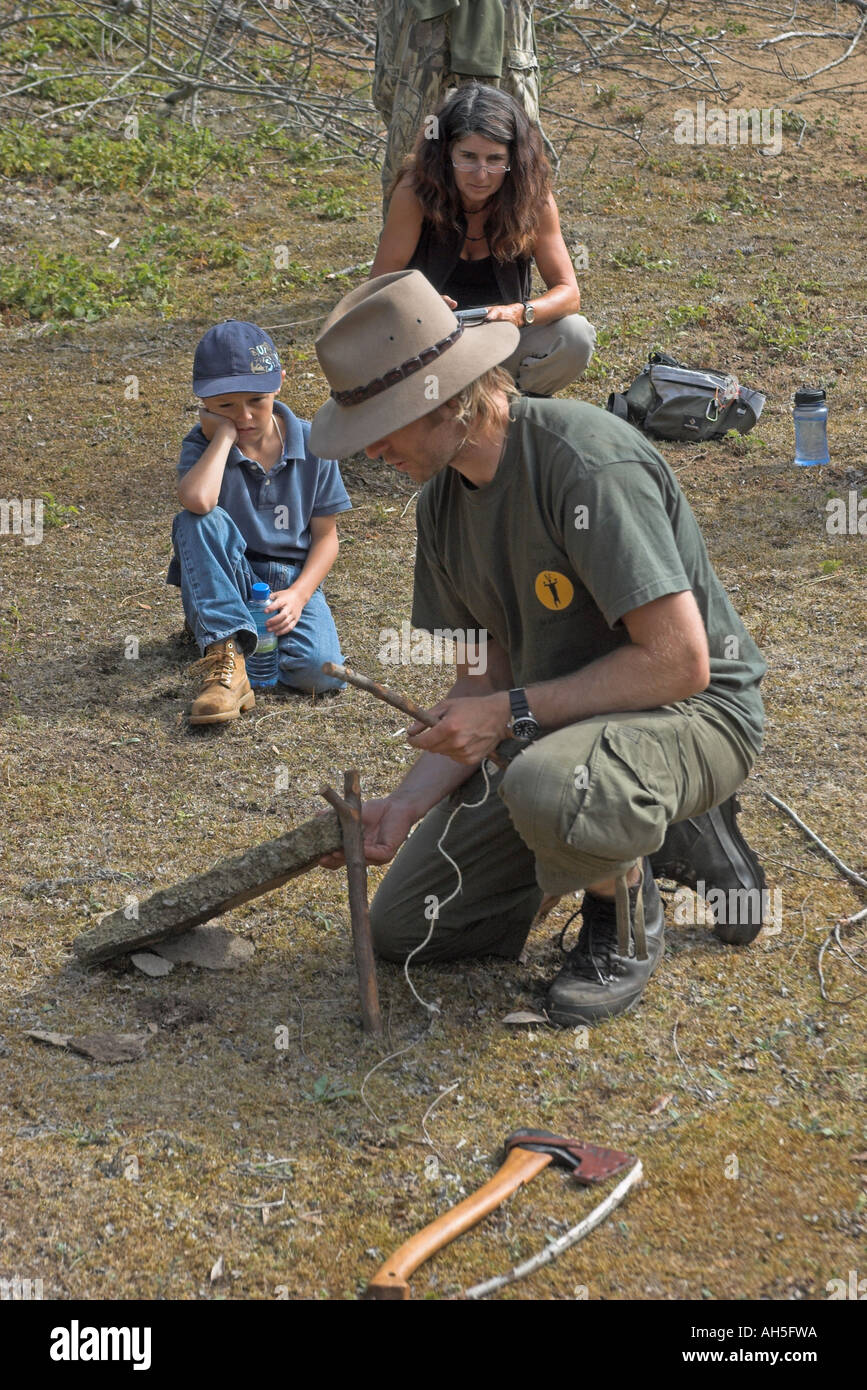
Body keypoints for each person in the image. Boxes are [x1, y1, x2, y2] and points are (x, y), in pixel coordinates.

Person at [310, 270, 768, 1027]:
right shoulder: (441, 511)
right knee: (410, 928)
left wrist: (512, 710)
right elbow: (475, 688)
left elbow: (678, 663)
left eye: (380, 426)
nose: (369, 451)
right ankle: (644, 827)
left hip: (692, 712)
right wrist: (406, 806)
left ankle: (617, 918)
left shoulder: (584, 462)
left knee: (549, 789)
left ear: (443, 398)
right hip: (554, 738)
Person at [166, 320, 350, 725]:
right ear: (203, 402)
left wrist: (301, 595)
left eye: (256, 400)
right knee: (197, 521)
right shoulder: (202, 444)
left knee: (319, 675)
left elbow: (326, 538)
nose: (244, 415)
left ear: (280, 383)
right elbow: (197, 500)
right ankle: (227, 657)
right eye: (225, 406)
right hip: (230, 573)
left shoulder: (315, 441)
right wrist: (223, 438)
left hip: (288, 580)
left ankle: (227, 636)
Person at [371, 82, 595, 398]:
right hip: (426, 346)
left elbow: (569, 293)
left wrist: (520, 313)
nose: (480, 174)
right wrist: (420, 307)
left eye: (494, 159)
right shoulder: (414, 192)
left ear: (514, 158)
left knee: (574, 335)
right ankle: (434, 409)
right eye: (468, 156)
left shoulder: (533, 198)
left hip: (502, 342)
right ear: (445, 151)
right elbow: (379, 286)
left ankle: (509, 407)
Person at [373, 0, 540, 212]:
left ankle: (508, 237)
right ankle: (411, 236)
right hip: (418, 15)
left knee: (509, 138)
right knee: (411, 140)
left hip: (501, 13)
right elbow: (390, 101)